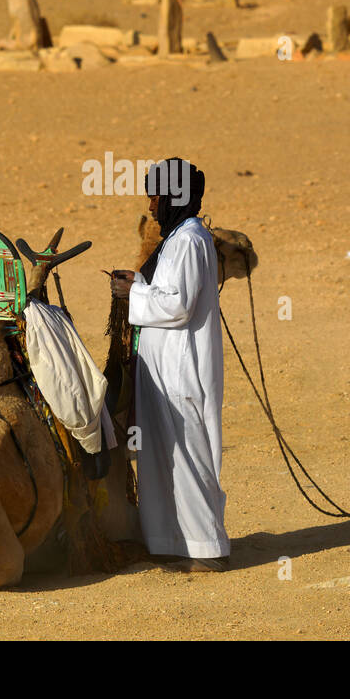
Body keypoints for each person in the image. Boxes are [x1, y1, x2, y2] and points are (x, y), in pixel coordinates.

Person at [110, 158, 228, 573]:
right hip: (161, 370)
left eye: (156, 195)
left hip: (182, 370)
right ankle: (167, 542)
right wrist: (137, 285)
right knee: (161, 456)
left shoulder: (191, 240)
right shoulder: (176, 239)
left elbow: (179, 304)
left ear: (175, 196)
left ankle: (207, 550)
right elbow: (166, 291)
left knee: (189, 456)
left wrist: (134, 298)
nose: (150, 204)